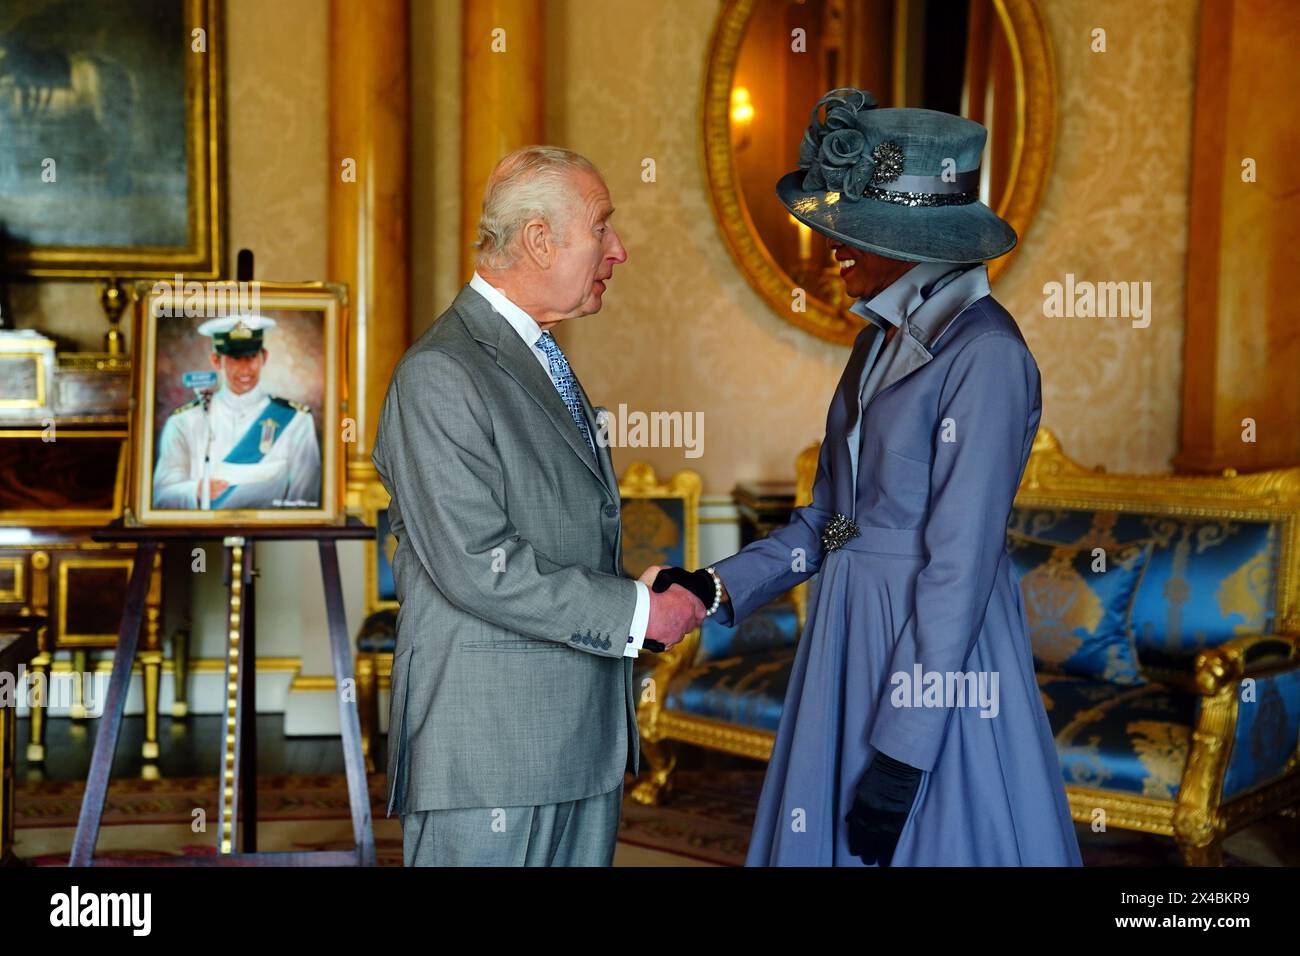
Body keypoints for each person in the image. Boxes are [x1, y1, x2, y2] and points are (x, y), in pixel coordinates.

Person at [657, 89, 1082, 866]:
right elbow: (832, 521)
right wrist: (713, 587)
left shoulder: (987, 355)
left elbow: (959, 566)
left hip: (936, 657)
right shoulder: (875, 346)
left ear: (918, 237)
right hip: (849, 636)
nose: (832, 249)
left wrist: (902, 759)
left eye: (851, 230)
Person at [372, 146, 705, 867]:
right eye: (602, 226)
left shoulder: (534, 354)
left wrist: (630, 590)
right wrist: (636, 615)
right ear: (539, 240)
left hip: (575, 743)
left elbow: (552, 529)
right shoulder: (441, 373)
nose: (619, 249)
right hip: (492, 754)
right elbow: (476, 566)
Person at [152, 314, 321, 510]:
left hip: (272, 537)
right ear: (216, 361)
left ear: (264, 357)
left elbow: (304, 502)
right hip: (202, 538)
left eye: (251, 357)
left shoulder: (296, 421)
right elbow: (161, 497)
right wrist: (197, 490)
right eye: (235, 358)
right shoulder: (184, 422)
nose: (245, 369)